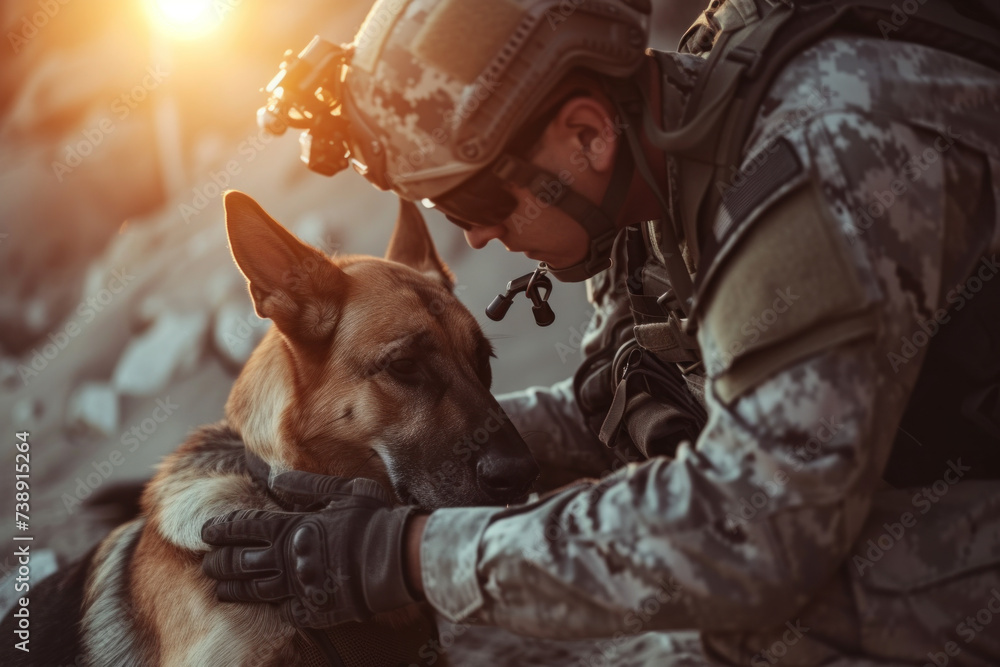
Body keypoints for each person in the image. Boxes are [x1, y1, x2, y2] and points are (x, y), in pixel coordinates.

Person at [201, 0, 1000, 664]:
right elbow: (630, 395)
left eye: (480, 206)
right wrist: (404, 467)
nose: (477, 241)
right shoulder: (665, 157)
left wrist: (409, 554)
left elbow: (753, 528)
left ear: (586, 133)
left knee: (767, 614)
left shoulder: (823, 160)